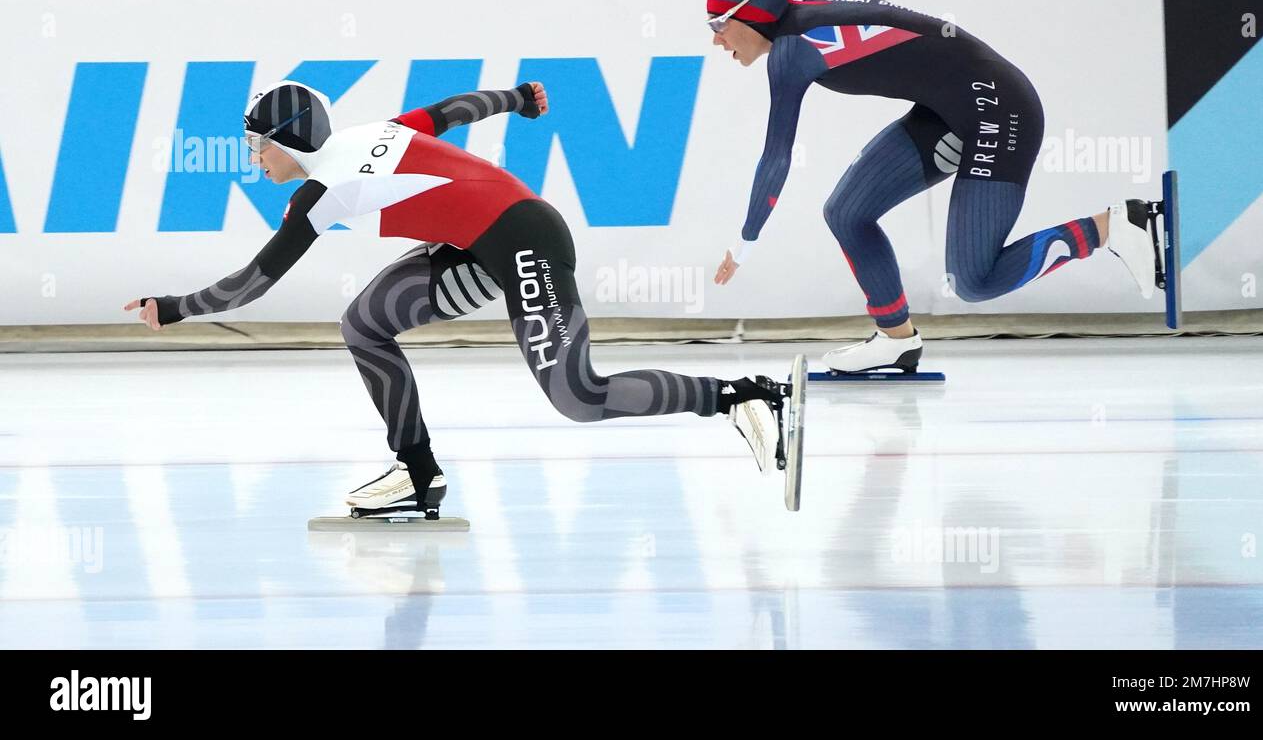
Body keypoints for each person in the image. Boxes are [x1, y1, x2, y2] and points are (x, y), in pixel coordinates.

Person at [125, 80, 792, 516]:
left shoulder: (318, 197)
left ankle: (744, 397)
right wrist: (518, 99)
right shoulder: (368, 134)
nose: (255, 159)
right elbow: (449, 112)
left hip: (525, 238)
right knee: (364, 324)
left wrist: (175, 307)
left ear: (290, 141)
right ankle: (418, 473)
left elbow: (254, 282)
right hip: (477, 245)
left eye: (259, 145)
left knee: (579, 396)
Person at [707, 0, 1159, 373]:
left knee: (973, 281)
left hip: (999, 110)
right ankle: (896, 339)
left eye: (719, 24)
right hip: (949, 111)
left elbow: (776, 157)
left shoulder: (791, 54)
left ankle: (1112, 227)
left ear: (753, 14)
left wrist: (745, 241)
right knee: (846, 212)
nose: (716, 39)